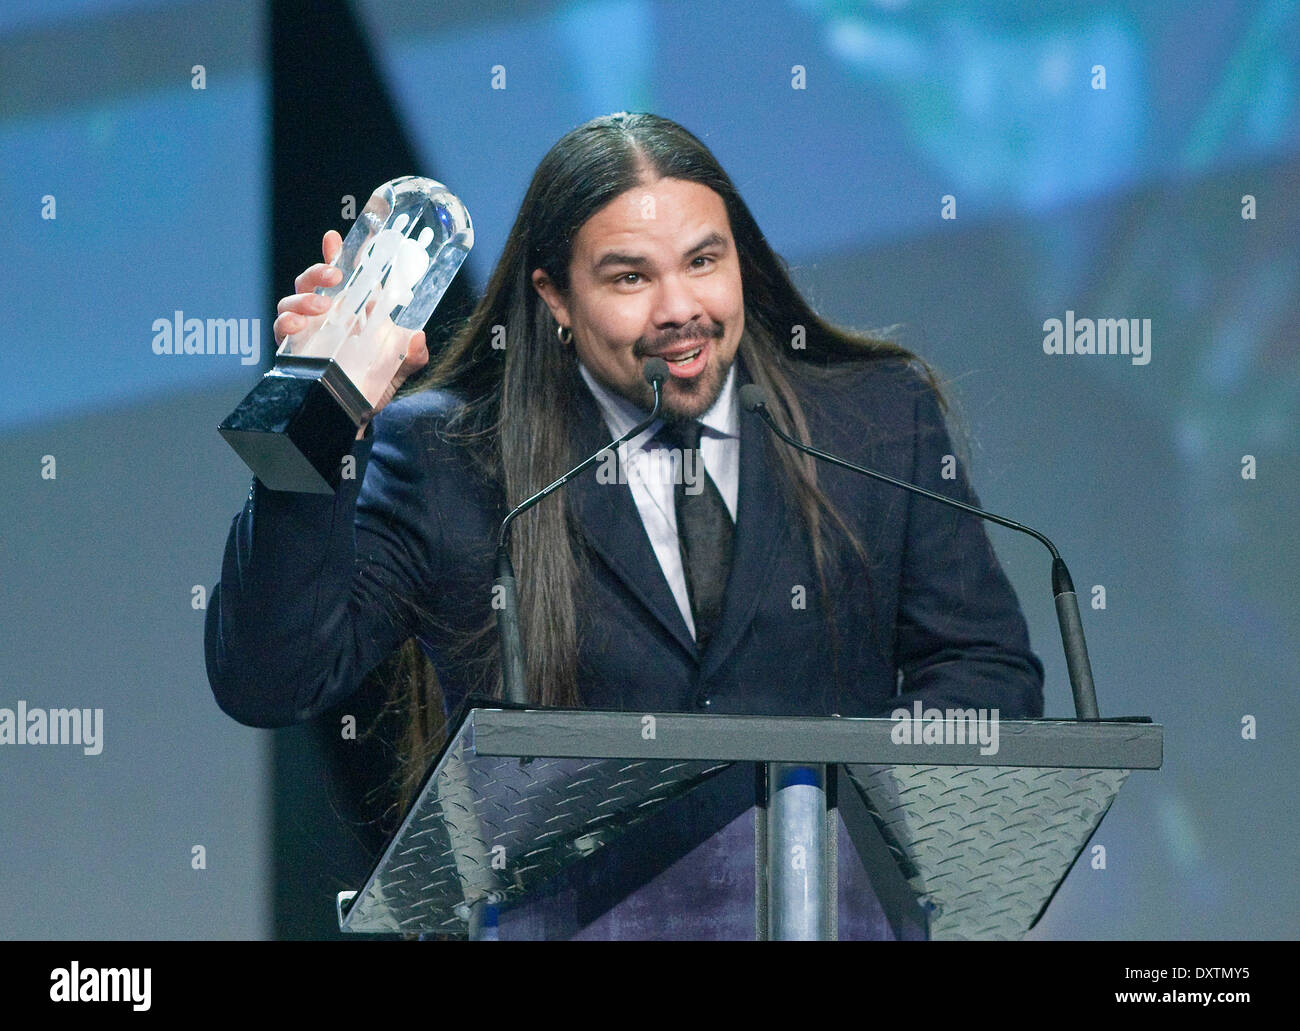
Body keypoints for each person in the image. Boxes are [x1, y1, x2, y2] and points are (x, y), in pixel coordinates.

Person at [206, 111, 1043, 940]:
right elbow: (272, 677)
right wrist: (321, 413)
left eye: (704, 262)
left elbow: (985, 674)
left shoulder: (875, 421)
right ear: (554, 297)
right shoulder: (447, 457)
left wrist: (844, 814)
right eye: (630, 277)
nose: (681, 308)